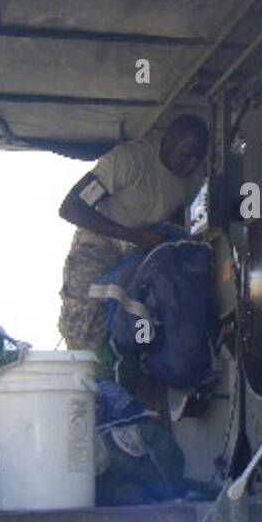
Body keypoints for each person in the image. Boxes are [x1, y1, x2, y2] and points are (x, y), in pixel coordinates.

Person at [58, 113, 208, 353]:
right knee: (84, 334)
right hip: (98, 249)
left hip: (140, 260)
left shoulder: (191, 177)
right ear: (169, 141)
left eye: (197, 158)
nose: (191, 164)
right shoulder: (129, 161)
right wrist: (135, 236)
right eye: (186, 154)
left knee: (137, 336)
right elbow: (71, 208)